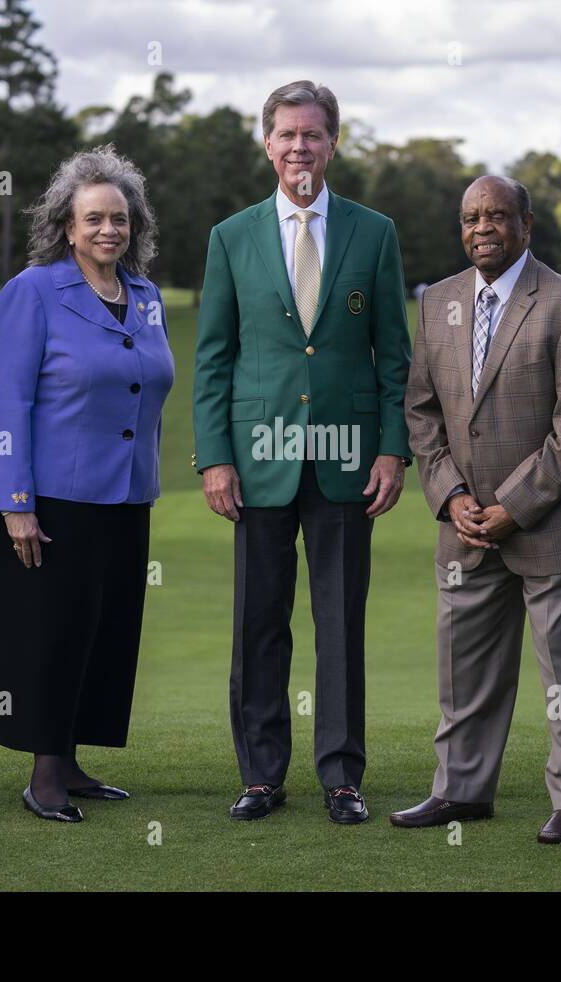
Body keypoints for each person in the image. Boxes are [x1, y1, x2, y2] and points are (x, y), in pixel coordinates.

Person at [192, 80, 412, 824]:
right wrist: (214, 456)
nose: (299, 147)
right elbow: (213, 358)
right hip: (258, 459)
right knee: (258, 622)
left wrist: (392, 451)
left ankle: (342, 778)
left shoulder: (374, 232)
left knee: (340, 623)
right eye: (286, 134)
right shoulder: (232, 237)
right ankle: (261, 775)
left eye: (312, 134)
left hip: (349, 461)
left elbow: (395, 356)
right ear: (267, 144)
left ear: (333, 142)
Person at [0, 147, 174, 824]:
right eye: (94, 219)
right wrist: (13, 503)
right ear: (67, 227)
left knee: (102, 631)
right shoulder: (33, 292)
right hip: (51, 502)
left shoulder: (147, 297)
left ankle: (71, 762)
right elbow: (1, 401)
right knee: (50, 631)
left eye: (120, 218)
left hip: (127, 496)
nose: (110, 229)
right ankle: (43, 774)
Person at [395, 175, 561, 844]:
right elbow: (420, 410)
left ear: (527, 224)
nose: (482, 228)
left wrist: (513, 506)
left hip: (552, 522)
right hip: (465, 528)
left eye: (497, 215)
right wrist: (451, 496)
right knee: (463, 672)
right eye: (470, 217)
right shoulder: (437, 302)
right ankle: (461, 790)